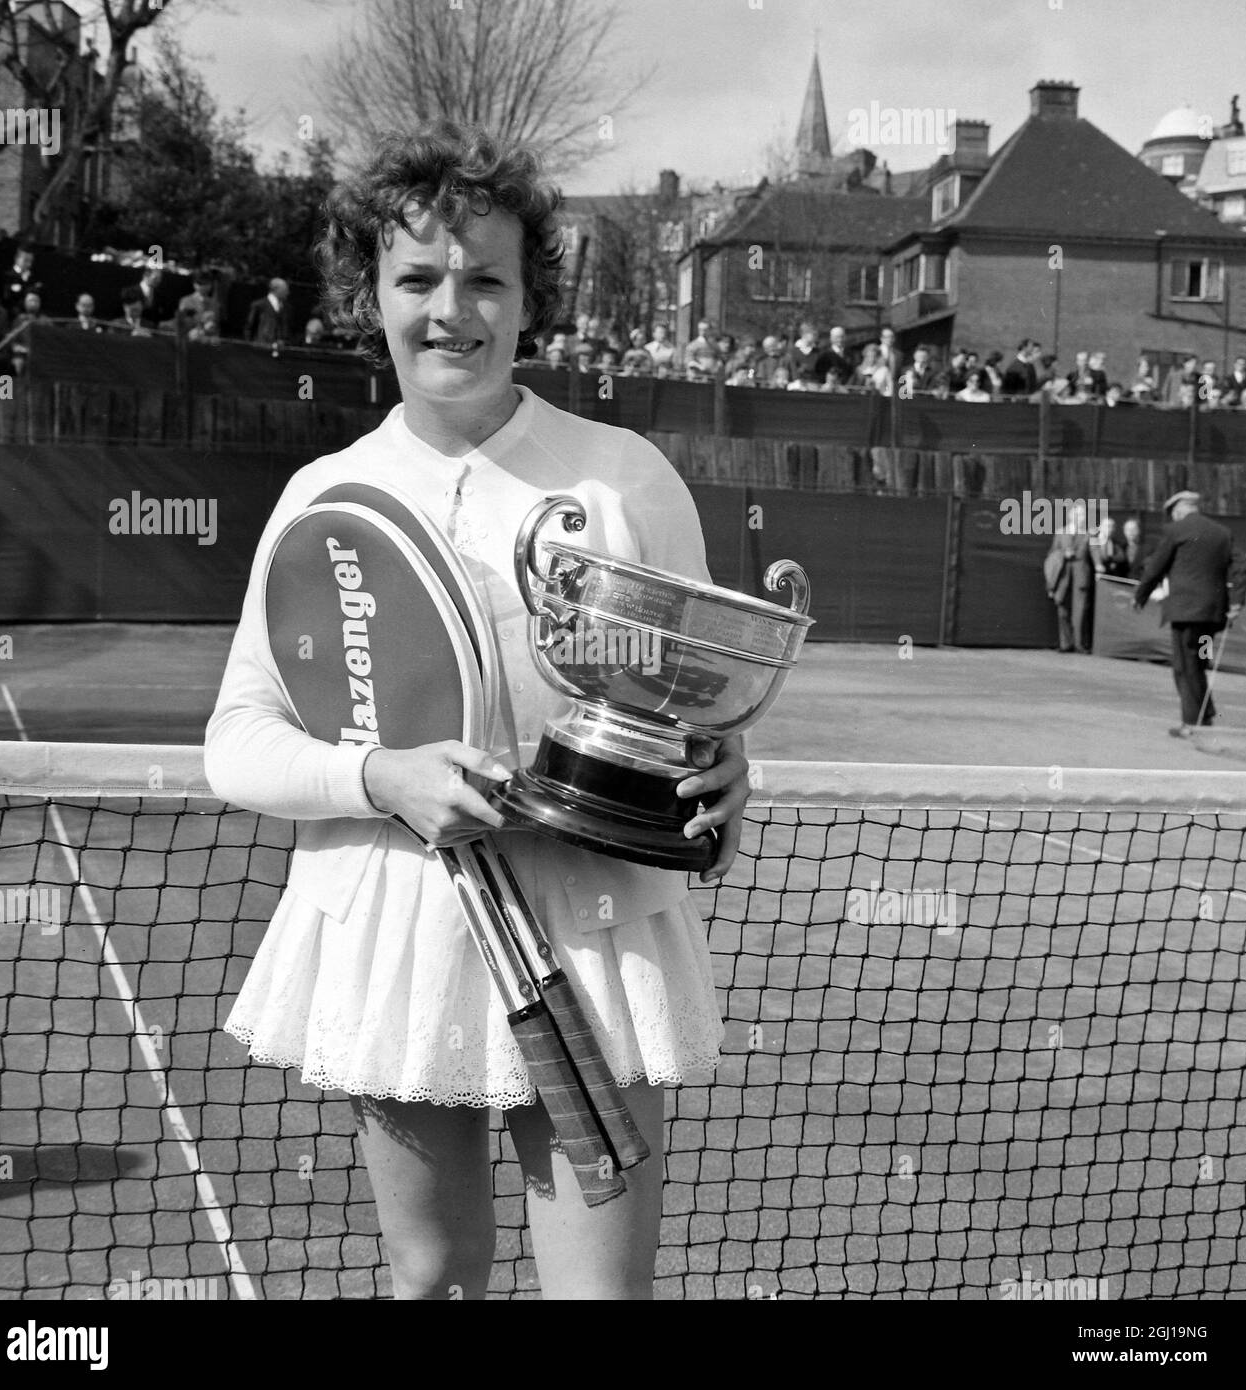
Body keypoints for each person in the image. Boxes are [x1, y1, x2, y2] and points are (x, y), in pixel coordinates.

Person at [203, 119, 746, 1301]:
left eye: (485, 276)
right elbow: (236, 740)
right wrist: (379, 779)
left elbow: (695, 717)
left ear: (527, 296)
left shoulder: (625, 475)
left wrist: (721, 772)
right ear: (370, 294)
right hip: (400, 919)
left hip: (592, 925)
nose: (453, 307)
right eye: (418, 278)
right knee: (435, 1278)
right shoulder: (323, 494)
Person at [1134, 491, 1246, 737]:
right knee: (1198, 662)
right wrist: (1237, 603)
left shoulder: (1175, 531)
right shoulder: (1222, 532)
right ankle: (1206, 713)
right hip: (1212, 616)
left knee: (1185, 667)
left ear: (1177, 510)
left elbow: (1156, 566)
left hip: (1186, 613)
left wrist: (1141, 595)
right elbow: (1242, 566)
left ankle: (1192, 724)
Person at [1044, 500, 1095, 653]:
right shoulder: (1060, 532)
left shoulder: (1089, 533)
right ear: (1071, 516)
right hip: (1063, 577)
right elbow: (1052, 554)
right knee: (1062, 610)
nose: (1082, 517)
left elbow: (1095, 554)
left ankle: (1079, 645)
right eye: (1079, 515)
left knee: (1080, 612)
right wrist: (1063, 554)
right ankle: (1066, 643)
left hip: (1081, 576)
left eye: (1083, 515)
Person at [245, 277, 293, 347]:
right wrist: (249, 344)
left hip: (281, 350)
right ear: (276, 289)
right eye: (285, 290)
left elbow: (288, 328)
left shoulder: (288, 308)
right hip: (259, 348)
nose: (288, 293)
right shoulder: (258, 305)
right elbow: (249, 327)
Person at [177, 272, 220, 337]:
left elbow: (216, 323)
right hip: (189, 336)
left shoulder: (214, 303)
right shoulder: (186, 300)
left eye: (206, 284)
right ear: (194, 284)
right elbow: (183, 321)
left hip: (208, 339)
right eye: (200, 284)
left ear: (211, 285)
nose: (203, 287)